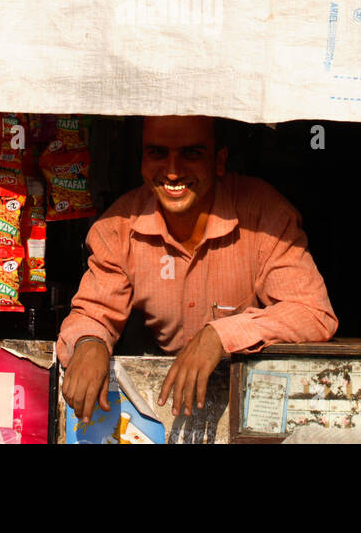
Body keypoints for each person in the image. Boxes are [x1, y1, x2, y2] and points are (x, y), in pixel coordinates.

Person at [58, 115, 337, 422]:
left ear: (219, 160)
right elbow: (94, 312)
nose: (173, 171)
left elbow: (313, 313)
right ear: (142, 160)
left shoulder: (264, 215)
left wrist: (220, 335)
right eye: (158, 153)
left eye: (191, 153)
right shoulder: (117, 227)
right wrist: (89, 342)